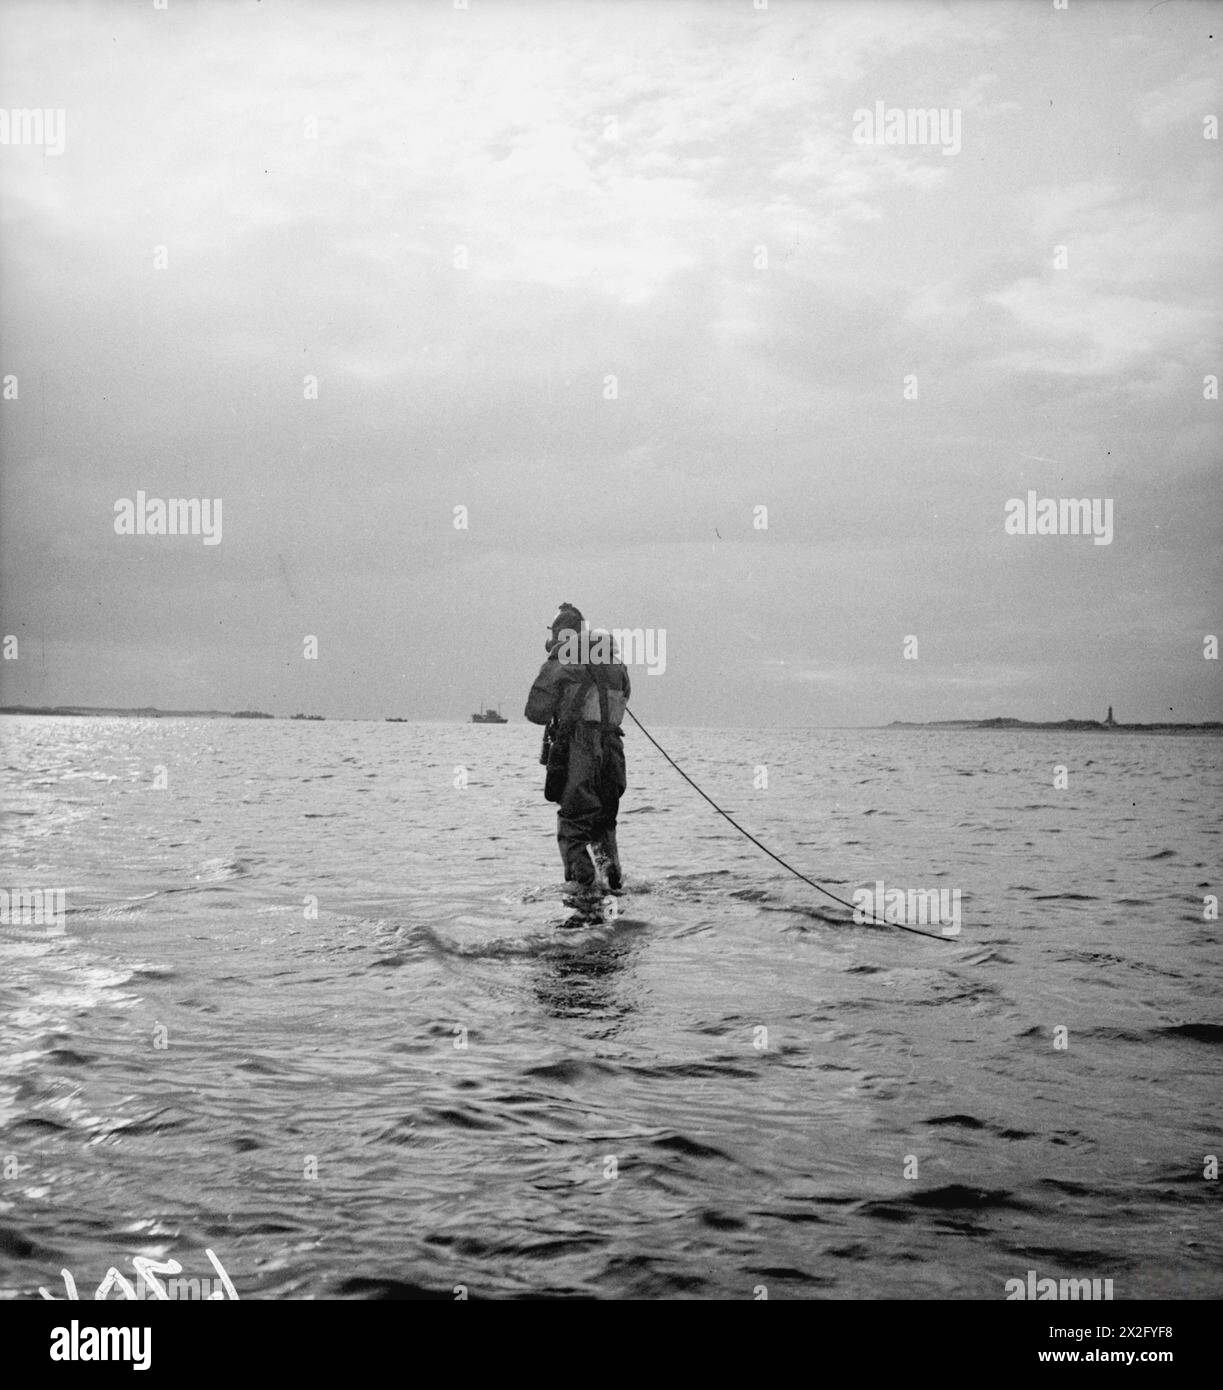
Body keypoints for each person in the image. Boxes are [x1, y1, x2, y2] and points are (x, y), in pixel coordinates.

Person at [524, 603, 630, 890]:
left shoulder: (562, 660)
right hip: (613, 753)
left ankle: (584, 896)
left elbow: (535, 712)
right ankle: (614, 887)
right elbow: (624, 695)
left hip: (580, 750)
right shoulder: (614, 662)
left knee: (572, 828)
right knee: (604, 825)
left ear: (560, 632)